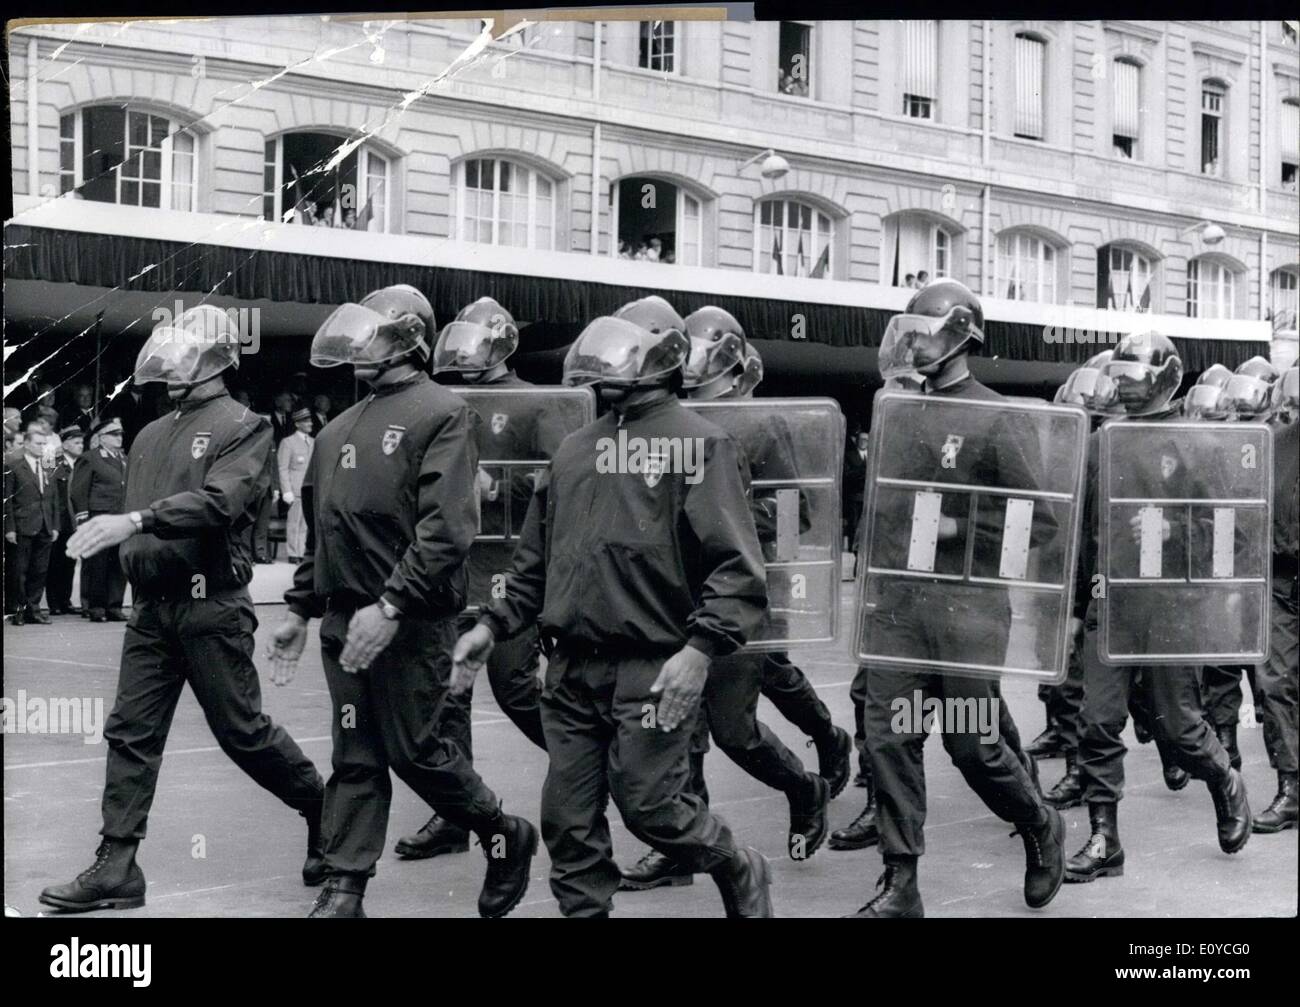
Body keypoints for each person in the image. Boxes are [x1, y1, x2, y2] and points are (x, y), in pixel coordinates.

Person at [451, 312, 774, 918]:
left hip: (653, 665)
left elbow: (737, 568)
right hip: (571, 669)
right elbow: (533, 566)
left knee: (651, 807)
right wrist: (491, 626)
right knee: (566, 821)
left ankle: (735, 861)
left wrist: (699, 652)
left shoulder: (702, 444)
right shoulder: (575, 451)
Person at [39, 305, 327, 914]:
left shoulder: (244, 425)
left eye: (185, 354)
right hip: (151, 609)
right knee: (130, 733)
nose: (171, 365)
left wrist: (138, 520)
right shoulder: (148, 432)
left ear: (214, 360)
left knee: (242, 734)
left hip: (210, 605)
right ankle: (117, 862)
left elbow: (220, 504)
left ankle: (321, 808)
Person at [268, 284, 537, 919]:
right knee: (355, 754)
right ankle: (346, 889)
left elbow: (446, 531)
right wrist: (300, 610)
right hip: (344, 620)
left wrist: (390, 605)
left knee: (417, 750)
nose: (359, 345)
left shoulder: (444, 413)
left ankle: (505, 833)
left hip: (409, 620)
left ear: (406, 339)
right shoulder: (334, 429)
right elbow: (325, 531)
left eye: (374, 334)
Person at [845, 279, 1065, 916]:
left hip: (966, 610)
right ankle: (901, 881)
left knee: (971, 744)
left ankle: (1038, 822)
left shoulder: (997, 415)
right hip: (898, 610)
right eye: (907, 334)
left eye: (926, 334)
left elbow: (1039, 523)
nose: (913, 347)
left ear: (961, 335)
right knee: (888, 737)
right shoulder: (897, 412)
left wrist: (957, 529)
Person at [620, 306, 848, 892]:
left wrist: (732, 512)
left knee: (732, 729)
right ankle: (681, 844)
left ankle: (804, 787)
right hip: (672, 593)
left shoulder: (759, 422)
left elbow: (799, 510)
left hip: (739, 589)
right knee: (680, 724)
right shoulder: (666, 416)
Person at [1062, 332, 1252, 884]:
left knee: (1179, 727)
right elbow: (1086, 532)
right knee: (1096, 721)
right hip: (1109, 601)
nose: (1126, 383)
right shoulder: (1102, 441)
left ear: (1165, 377)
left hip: (1170, 605)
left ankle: (1223, 779)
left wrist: (1177, 535)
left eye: (1137, 375)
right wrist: (1077, 606)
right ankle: (1105, 839)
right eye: (1121, 374)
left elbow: (1229, 534)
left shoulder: (1195, 444)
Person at [395, 296, 552, 861]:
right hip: (457, 566)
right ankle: (457, 811)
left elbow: (556, 482)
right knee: (449, 698)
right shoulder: (448, 399)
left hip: (510, 570)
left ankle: (587, 762)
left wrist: (497, 489)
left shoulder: (538, 401)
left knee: (515, 689)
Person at [68, 417, 129, 622]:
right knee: (98, 563)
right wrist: (83, 518)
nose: (119, 438)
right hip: (99, 516)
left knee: (117, 564)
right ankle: (96, 607)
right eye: (114, 434)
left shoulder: (123, 458)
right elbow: (79, 490)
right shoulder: (90, 458)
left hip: (119, 517)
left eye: (120, 434)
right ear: (101, 437)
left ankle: (114, 605)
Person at [4, 421, 65, 625]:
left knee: (39, 571)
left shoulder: (48, 465)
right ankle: (18, 611)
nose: (42, 447)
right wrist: (9, 528)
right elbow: (8, 500)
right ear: (27, 444)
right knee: (19, 571)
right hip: (23, 525)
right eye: (38, 443)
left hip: (45, 524)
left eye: (44, 443)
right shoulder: (13, 466)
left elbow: (54, 496)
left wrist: (55, 524)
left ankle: (34, 608)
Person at [45, 431, 79, 616]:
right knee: (55, 562)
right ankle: (54, 602)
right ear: (64, 444)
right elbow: (48, 490)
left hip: (73, 521)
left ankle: (65, 600)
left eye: (82, 442)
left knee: (69, 562)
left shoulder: (81, 464)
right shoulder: (52, 460)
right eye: (76, 442)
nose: (80, 445)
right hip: (59, 520)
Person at [277, 407, 314, 563]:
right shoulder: (288, 442)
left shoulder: (313, 442)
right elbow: (282, 468)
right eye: (306, 421)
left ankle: (301, 553)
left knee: (305, 524)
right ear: (298, 424)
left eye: (310, 420)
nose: (310, 423)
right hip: (295, 489)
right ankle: (293, 553)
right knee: (294, 523)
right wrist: (286, 490)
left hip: (309, 489)